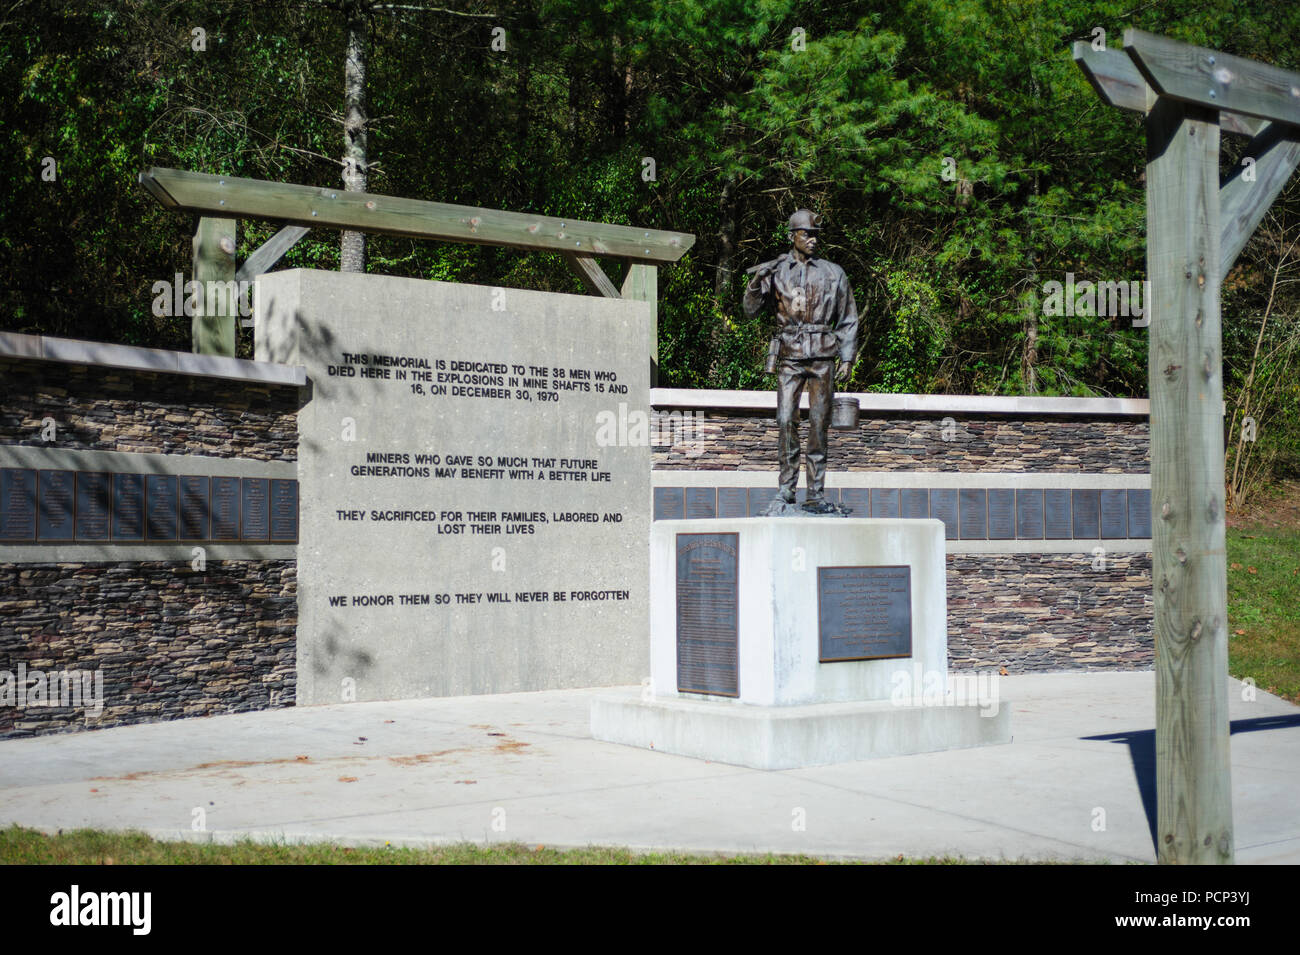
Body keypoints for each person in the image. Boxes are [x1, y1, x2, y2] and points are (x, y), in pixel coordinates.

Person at [742, 209, 859, 512]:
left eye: (816, 234)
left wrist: (847, 357)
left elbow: (847, 317)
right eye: (806, 233)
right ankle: (786, 491)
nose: (812, 239)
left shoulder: (834, 273)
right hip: (790, 355)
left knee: (819, 425)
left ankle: (816, 494)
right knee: (785, 421)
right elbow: (751, 310)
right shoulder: (777, 271)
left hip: (823, 355)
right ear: (792, 236)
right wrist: (757, 281)